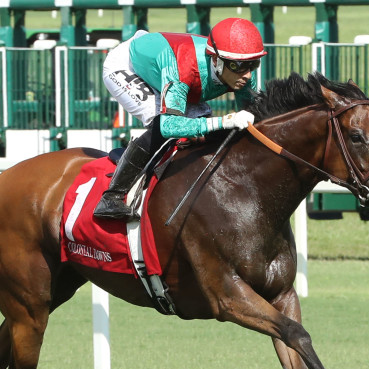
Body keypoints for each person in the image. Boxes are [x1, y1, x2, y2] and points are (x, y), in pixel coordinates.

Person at [94, 16, 266, 221]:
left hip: (173, 68)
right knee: (161, 125)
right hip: (129, 65)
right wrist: (225, 121)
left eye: (252, 64)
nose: (247, 75)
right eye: (238, 66)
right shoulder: (184, 69)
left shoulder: (241, 71)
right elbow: (169, 126)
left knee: (201, 130)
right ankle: (112, 197)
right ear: (216, 60)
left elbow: (254, 120)